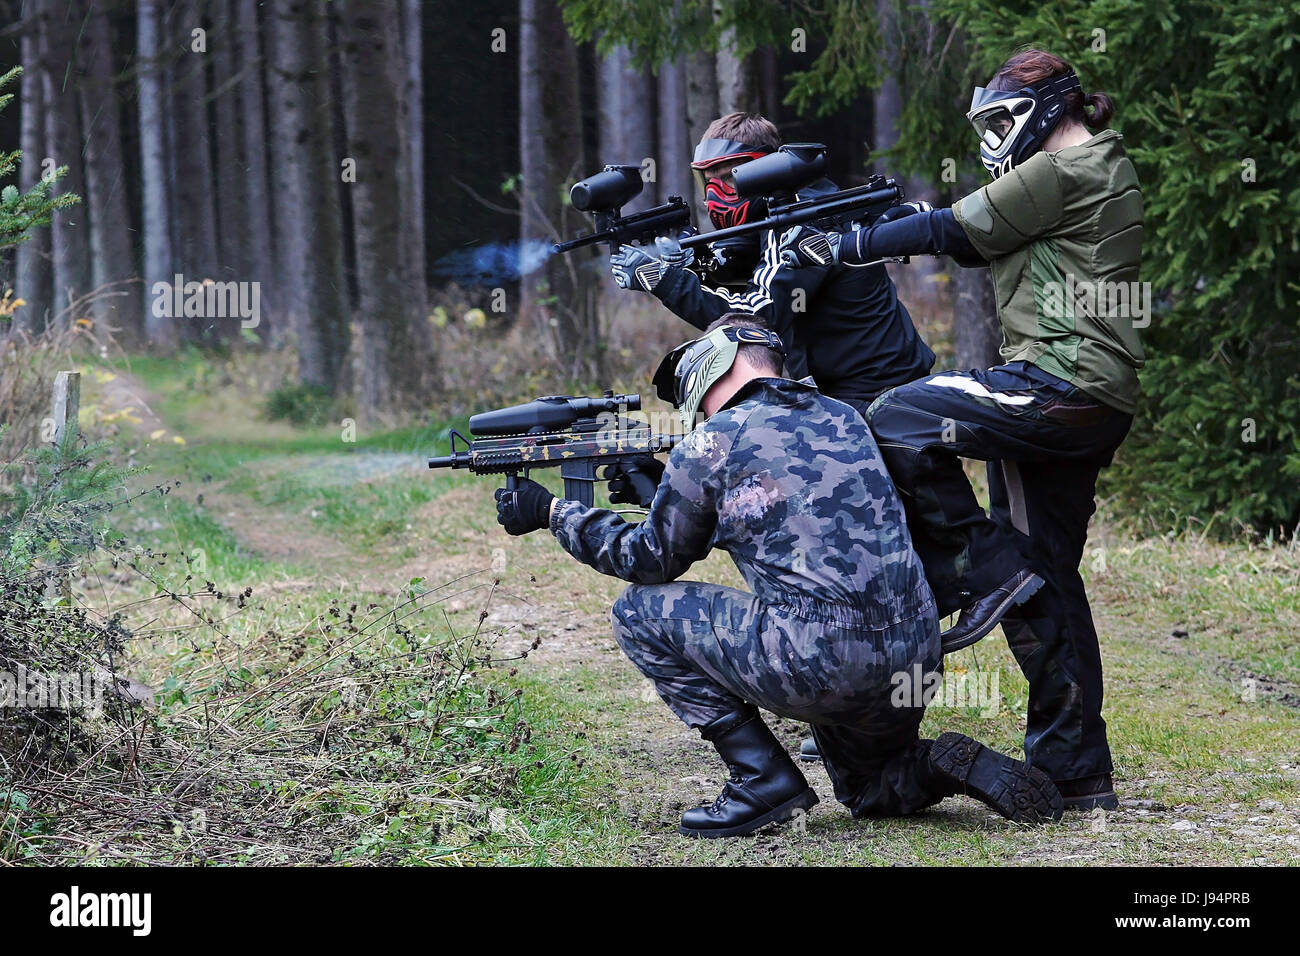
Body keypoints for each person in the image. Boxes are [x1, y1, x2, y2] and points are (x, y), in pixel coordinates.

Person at [493, 314, 1063, 837]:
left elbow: (649, 560)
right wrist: (661, 484)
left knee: (638, 613)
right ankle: (935, 762)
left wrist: (551, 512)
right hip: (911, 660)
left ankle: (762, 780)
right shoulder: (843, 416)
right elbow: (777, 514)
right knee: (869, 791)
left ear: (710, 366)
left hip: (819, 663)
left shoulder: (714, 441)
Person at [779, 50, 1143, 811]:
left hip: (1055, 386)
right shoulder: (1098, 169)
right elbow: (976, 240)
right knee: (1050, 580)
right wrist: (875, 222)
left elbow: (951, 227)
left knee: (897, 411)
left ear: (1046, 109)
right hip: (1095, 400)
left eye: (1000, 121)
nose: (992, 138)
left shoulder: (1063, 169)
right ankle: (1080, 774)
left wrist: (841, 245)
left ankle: (973, 568)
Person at [609, 111, 934, 418]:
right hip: (844, 391)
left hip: (879, 396)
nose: (715, 194)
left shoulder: (806, 221)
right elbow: (750, 273)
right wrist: (694, 265)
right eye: (708, 182)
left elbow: (755, 318)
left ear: (764, 170)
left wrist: (664, 280)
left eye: (730, 178)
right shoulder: (776, 217)